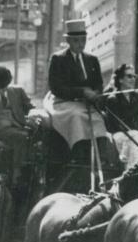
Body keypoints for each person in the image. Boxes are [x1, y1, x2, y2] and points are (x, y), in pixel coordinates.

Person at [44, 19, 118, 177]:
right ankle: (77, 154)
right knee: (76, 116)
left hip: (86, 102)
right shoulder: (58, 59)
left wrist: (96, 94)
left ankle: (101, 157)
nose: (80, 44)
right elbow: (56, 87)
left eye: (83, 40)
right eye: (76, 40)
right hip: (62, 101)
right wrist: (81, 92)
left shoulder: (92, 59)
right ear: (68, 41)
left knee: (98, 118)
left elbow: (98, 83)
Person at [102, 62, 138, 165]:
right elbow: (117, 125)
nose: (133, 79)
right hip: (119, 137)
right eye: (129, 76)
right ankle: (135, 169)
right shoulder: (113, 99)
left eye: (134, 76)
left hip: (136, 136)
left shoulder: (136, 96)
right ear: (120, 79)